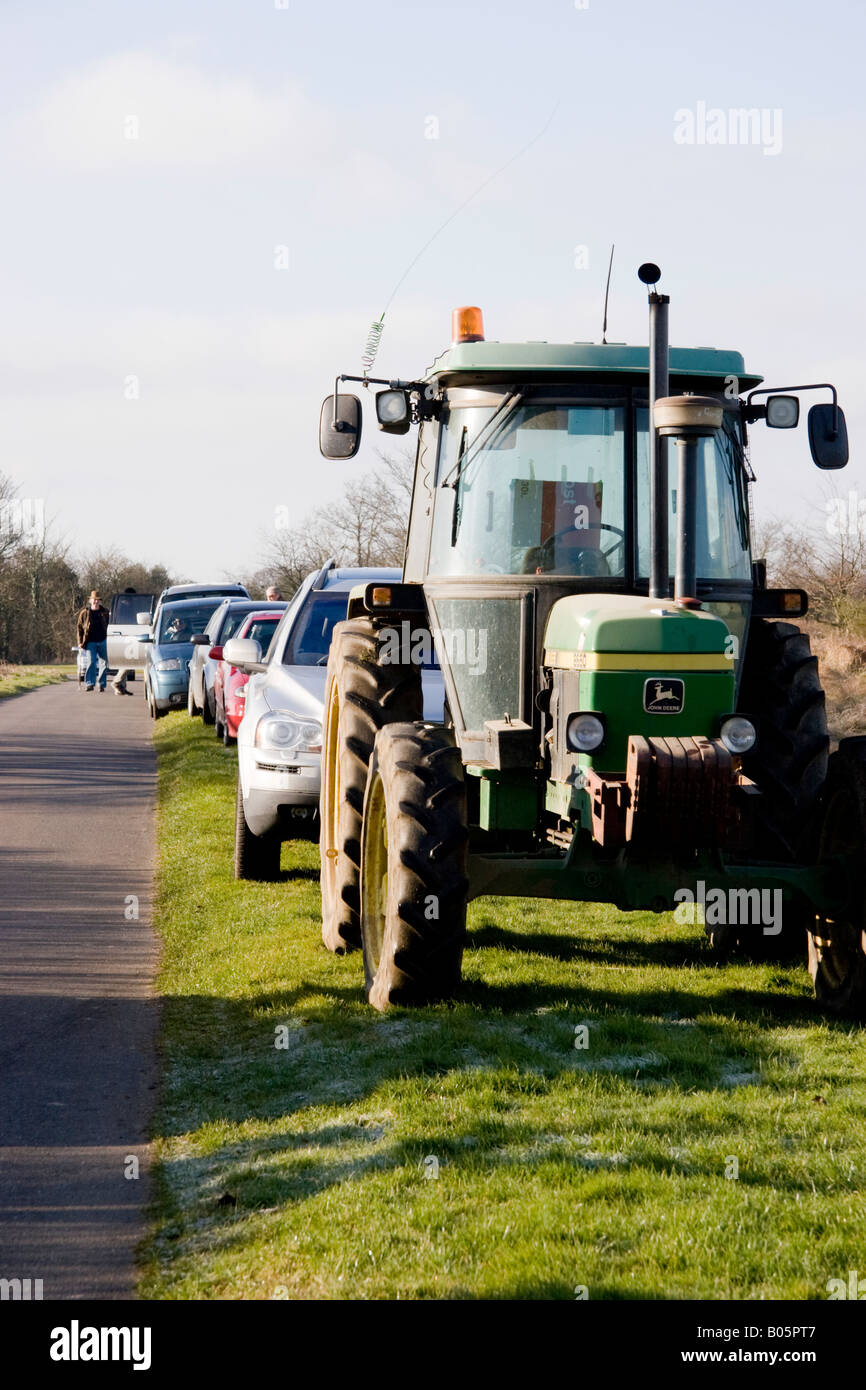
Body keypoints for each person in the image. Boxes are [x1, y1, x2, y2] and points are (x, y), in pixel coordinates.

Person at [76, 590, 110, 692]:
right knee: (91, 662)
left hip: (103, 640)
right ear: (90, 600)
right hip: (90, 641)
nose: (95, 601)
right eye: (94, 600)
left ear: (100, 601)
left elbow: (110, 626)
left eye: (97, 600)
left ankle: (101, 684)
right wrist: (80, 642)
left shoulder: (105, 612)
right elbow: (79, 628)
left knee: (104, 663)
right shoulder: (84, 613)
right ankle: (90, 684)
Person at [111, 586, 137, 696]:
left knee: (126, 661)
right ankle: (117, 682)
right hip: (125, 636)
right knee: (129, 661)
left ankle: (121, 688)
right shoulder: (124, 606)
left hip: (124, 635)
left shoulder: (120, 605)